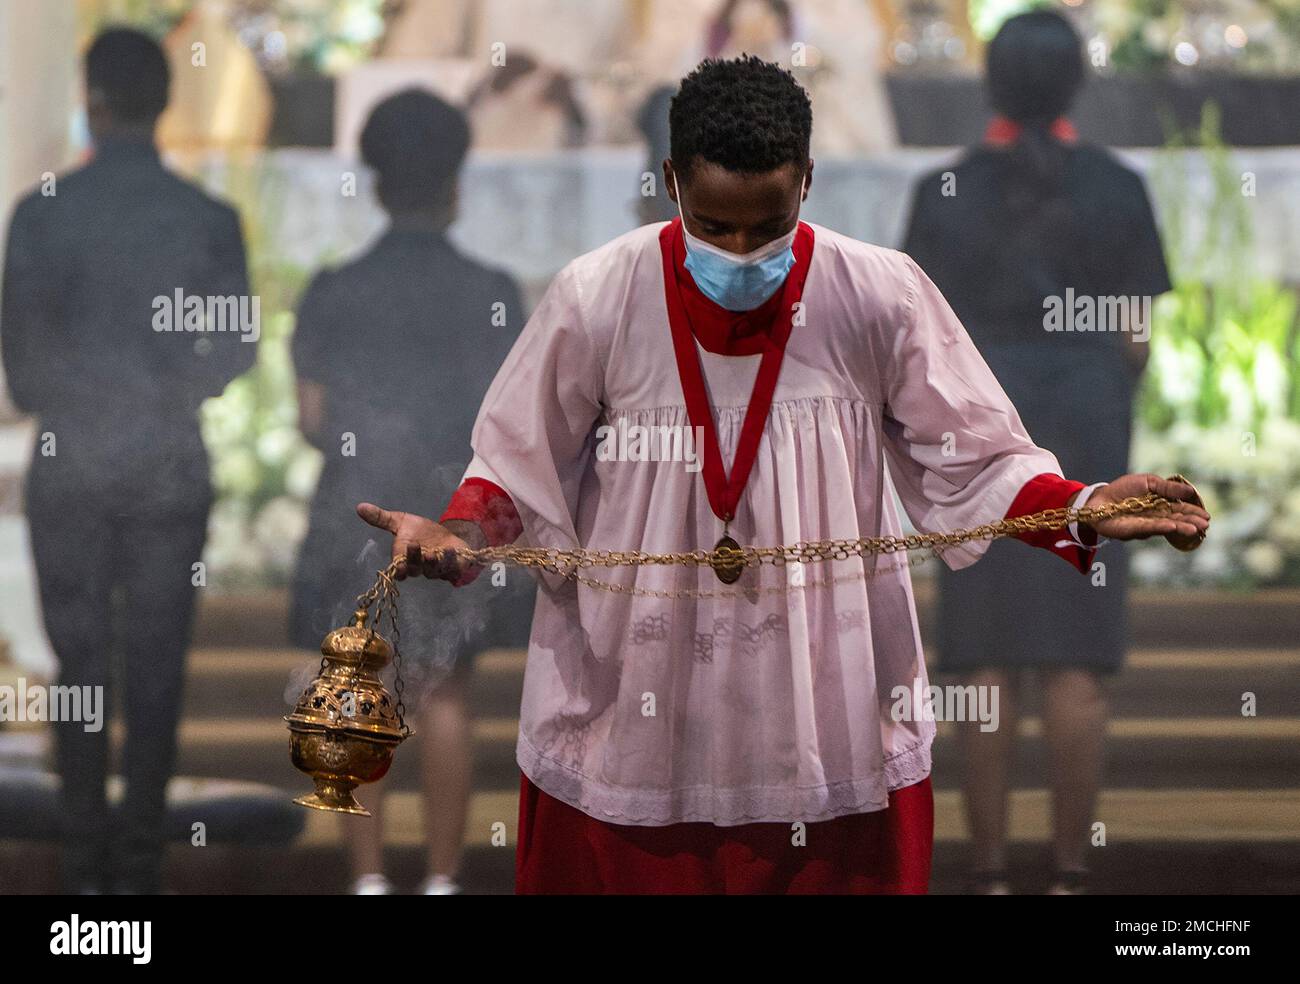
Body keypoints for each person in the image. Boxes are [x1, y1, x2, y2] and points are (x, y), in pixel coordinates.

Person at [357, 56, 1207, 895]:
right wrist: (458, 536)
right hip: (638, 687)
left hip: (821, 688)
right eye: (712, 225)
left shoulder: (877, 292)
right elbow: (515, 462)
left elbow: (973, 448)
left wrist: (1084, 504)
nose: (737, 252)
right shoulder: (598, 295)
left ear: (807, 182)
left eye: (766, 227)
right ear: (670, 182)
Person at [903, 10, 1175, 895]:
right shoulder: (1118, 185)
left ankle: (984, 873)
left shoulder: (945, 189)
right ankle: (1067, 874)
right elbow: (1134, 338)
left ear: (990, 83)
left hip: (980, 437)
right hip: (1088, 422)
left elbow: (920, 343)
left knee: (982, 658)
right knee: (1077, 655)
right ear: (1076, 82)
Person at [1, 28, 256, 893]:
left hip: (71, 462)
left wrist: (87, 396)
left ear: (93, 102)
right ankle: (142, 857)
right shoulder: (208, 220)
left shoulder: (39, 214)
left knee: (79, 666)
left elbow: (25, 371)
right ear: (165, 105)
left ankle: (81, 862)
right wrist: (166, 390)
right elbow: (235, 352)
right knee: (157, 661)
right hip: (166, 462)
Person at [290, 88, 525, 896]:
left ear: (379, 183)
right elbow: (512, 424)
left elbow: (313, 418)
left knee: (359, 689)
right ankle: (444, 879)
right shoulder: (492, 289)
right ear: (457, 182)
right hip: (453, 514)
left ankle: (367, 881)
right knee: (448, 691)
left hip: (355, 508)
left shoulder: (333, 288)